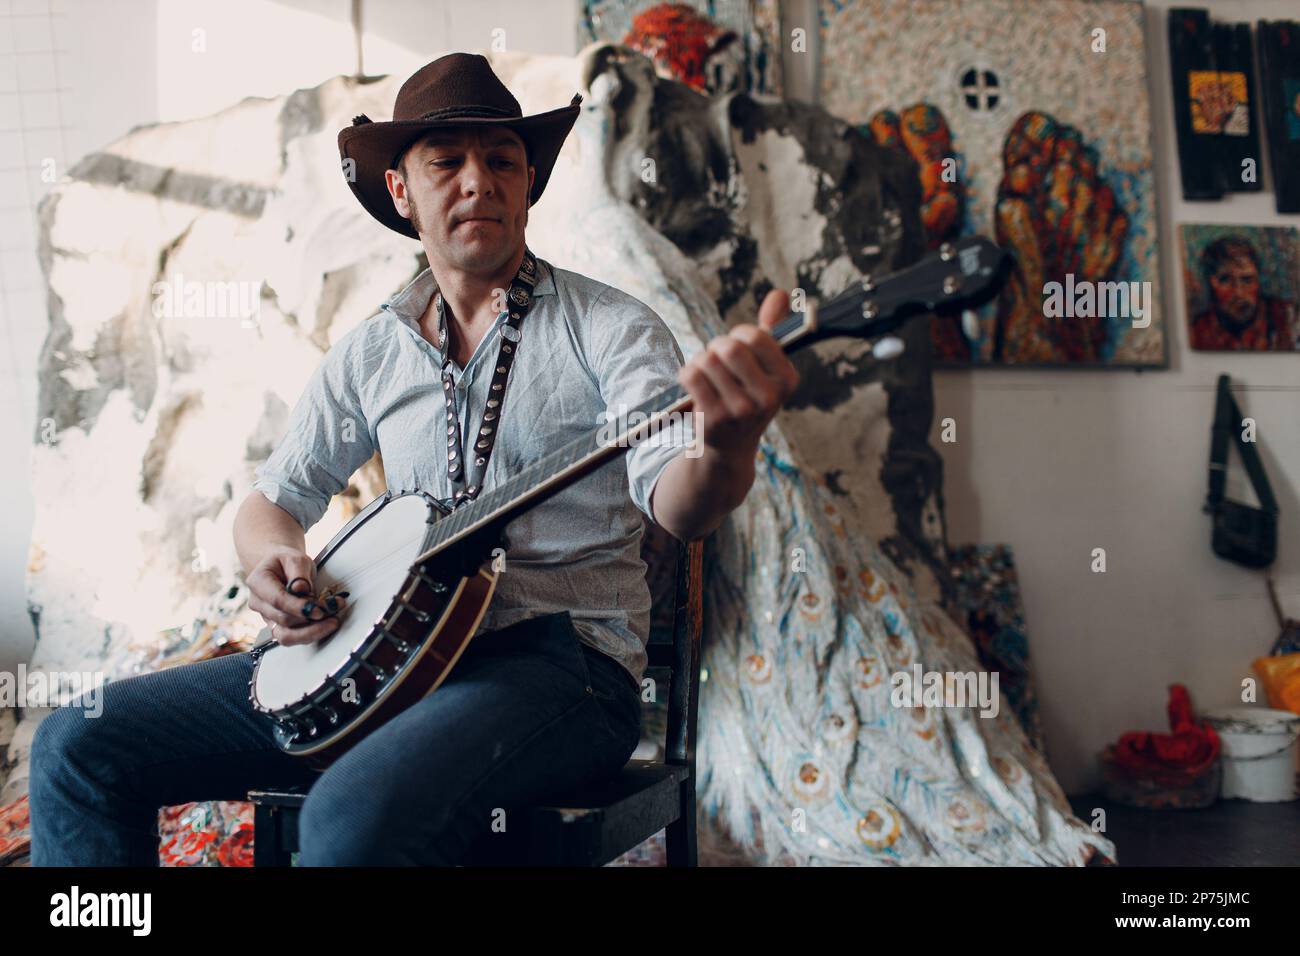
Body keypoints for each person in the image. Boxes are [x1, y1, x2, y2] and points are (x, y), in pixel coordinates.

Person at [28, 52, 799, 866]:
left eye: (503, 160)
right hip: (387, 657)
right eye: (446, 161)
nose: (479, 181)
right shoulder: (370, 352)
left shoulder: (614, 329)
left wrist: (732, 441)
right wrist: (271, 559)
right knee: (78, 746)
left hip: (562, 673)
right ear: (401, 191)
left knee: (350, 818)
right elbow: (270, 502)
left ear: (528, 183)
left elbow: (678, 500)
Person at [1189, 235, 1296, 350]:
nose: (1238, 292)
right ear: (1211, 283)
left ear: (1258, 281)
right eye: (1225, 280)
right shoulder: (1198, 331)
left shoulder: (1287, 318)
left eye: (1247, 280)